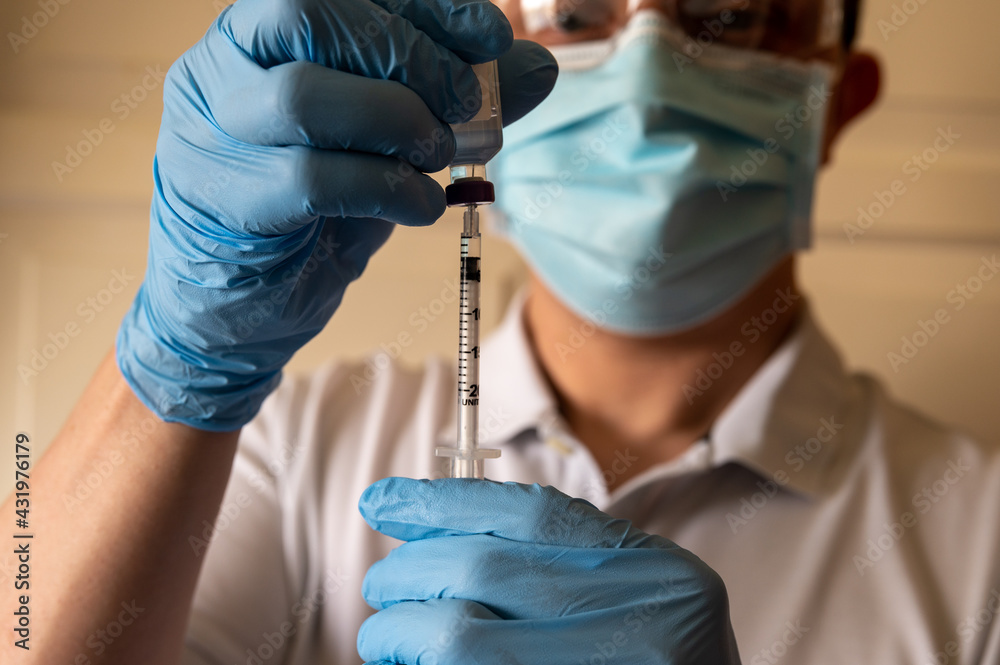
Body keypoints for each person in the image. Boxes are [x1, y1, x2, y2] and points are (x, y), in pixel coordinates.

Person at [2, 0, 998, 662]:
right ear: (485, 70)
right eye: (574, 14)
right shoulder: (295, 443)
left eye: (728, 11)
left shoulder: (978, 538)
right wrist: (182, 359)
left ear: (832, 102)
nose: (647, 64)